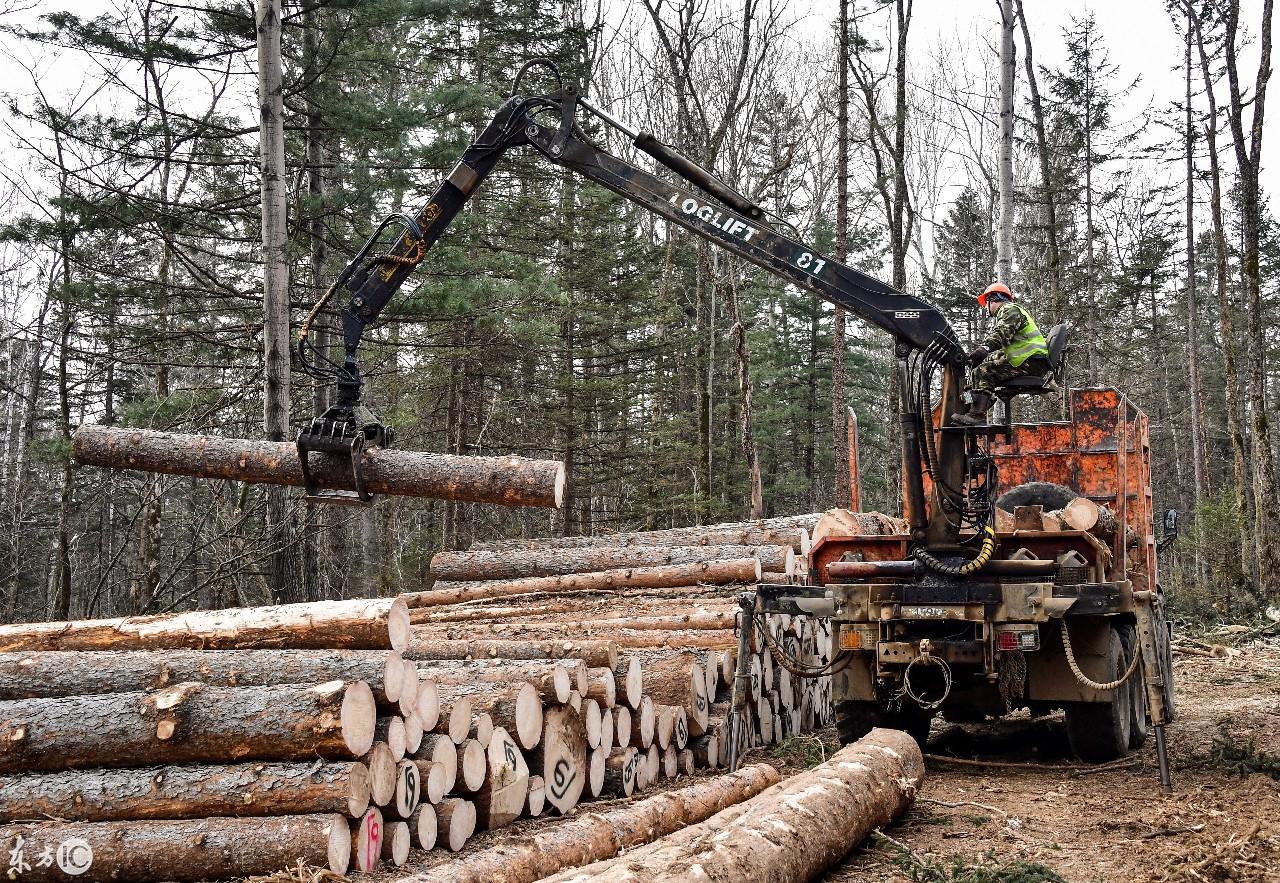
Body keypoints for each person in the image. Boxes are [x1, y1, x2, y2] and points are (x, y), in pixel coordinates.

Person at [951, 282, 1050, 426]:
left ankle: (977, 415)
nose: (986, 307)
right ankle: (971, 406)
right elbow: (1005, 351)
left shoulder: (1009, 309)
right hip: (1028, 361)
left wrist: (984, 348)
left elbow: (1002, 333)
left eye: (986, 303)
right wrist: (983, 357)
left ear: (992, 300)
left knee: (983, 371)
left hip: (1032, 361)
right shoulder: (1010, 312)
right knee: (975, 371)